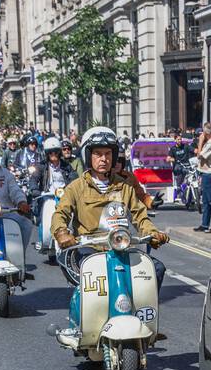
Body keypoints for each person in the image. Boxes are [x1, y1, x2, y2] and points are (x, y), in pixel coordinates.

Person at [50, 126, 169, 341]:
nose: (103, 159)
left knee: (155, 268)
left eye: (107, 154)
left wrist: (152, 233)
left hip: (121, 248)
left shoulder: (124, 186)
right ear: (88, 155)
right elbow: (60, 214)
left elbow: (140, 216)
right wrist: (61, 233)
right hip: (90, 250)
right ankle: (82, 326)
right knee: (88, 279)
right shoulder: (75, 188)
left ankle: (145, 319)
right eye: (97, 154)